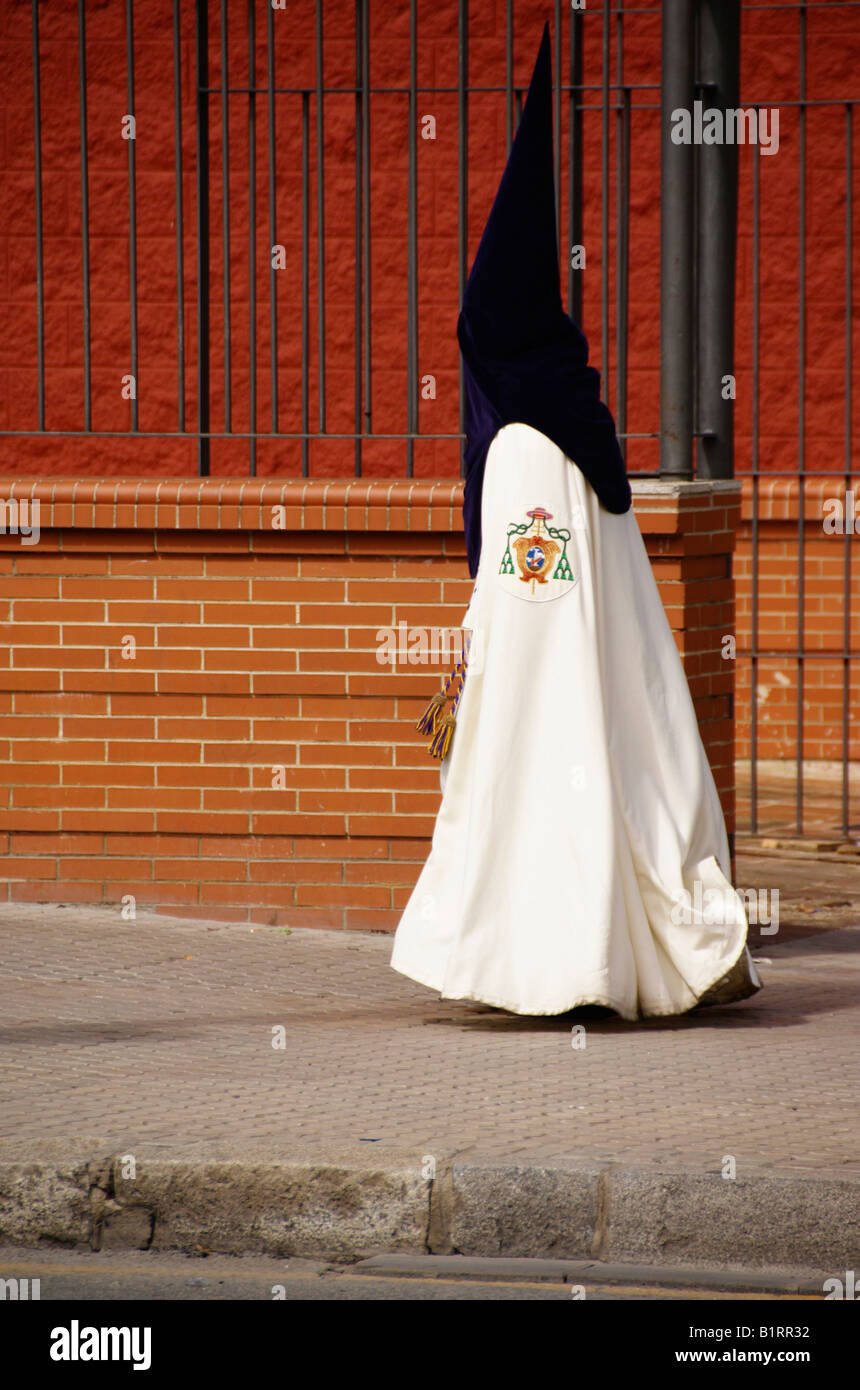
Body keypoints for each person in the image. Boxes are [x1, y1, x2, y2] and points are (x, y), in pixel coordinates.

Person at [389, 24, 761, 1020]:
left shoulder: (519, 443)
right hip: (599, 680)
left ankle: (567, 966)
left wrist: (480, 666)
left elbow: (534, 593)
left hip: (549, 685)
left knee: (548, 787)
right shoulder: (573, 417)